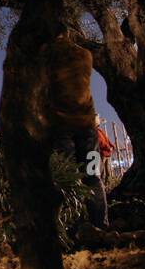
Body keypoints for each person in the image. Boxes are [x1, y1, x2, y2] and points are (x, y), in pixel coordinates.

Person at [45, 31, 108, 228]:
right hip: (88, 129)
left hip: (63, 129)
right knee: (92, 176)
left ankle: (75, 224)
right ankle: (101, 224)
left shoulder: (48, 60)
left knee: (67, 178)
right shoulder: (85, 55)